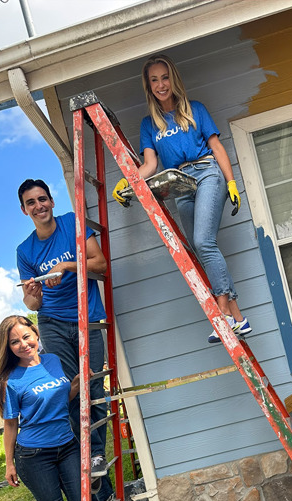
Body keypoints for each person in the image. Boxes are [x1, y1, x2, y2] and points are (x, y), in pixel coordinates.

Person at [112, 53, 251, 344]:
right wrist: (129, 181)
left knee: (204, 242)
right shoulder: (149, 124)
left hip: (207, 172)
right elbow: (150, 165)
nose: (161, 84)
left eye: (165, 77)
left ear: (173, 79)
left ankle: (223, 314)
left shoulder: (195, 109)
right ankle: (239, 318)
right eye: (154, 80)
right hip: (180, 183)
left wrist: (231, 182)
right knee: (201, 248)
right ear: (148, 86)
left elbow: (216, 146)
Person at [16, 178, 115, 501]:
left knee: (93, 387)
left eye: (42, 199)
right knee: (71, 391)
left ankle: (97, 457)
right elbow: (31, 302)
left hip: (87, 317)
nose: (38, 205)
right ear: (24, 210)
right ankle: (89, 464)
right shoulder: (25, 251)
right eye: (31, 202)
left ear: (52, 202)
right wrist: (34, 292)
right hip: (53, 323)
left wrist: (68, 266)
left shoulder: (73, 223)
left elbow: (100, 266)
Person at [0, 315, 103, 501]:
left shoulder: (53, 361)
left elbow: (60, 399)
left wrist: (77, 383)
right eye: (14, 342)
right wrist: (9, 464)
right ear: (8, 348)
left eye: (26, 336)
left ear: (35, 333)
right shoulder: (11, 381)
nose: (23, 344)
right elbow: (11, 425)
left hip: (67, 445)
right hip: (34, 455)